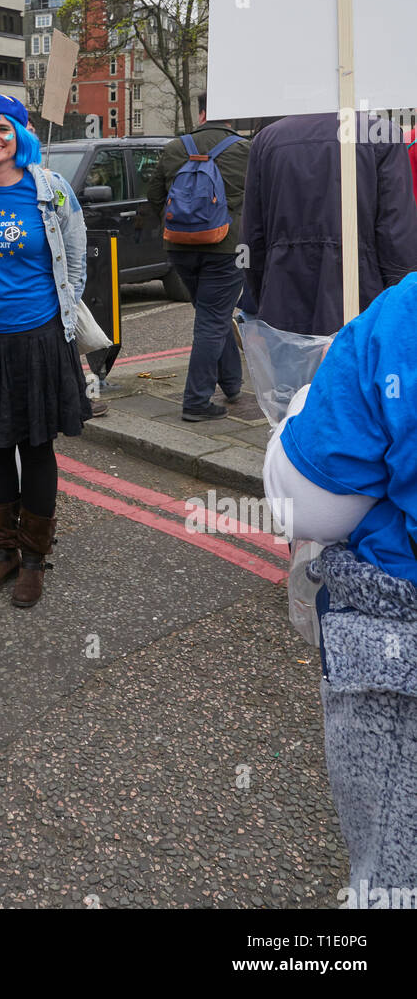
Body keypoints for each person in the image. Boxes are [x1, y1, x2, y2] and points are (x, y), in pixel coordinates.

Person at [264, 274, 417, 901]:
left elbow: (307, 510)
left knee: (390, 877)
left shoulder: (399, 320)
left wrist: (303, 408)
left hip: (392, 650)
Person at [0, 95, 90, 609]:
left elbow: (74, 256)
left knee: (36, 446)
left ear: (20, 134)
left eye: (2, 129)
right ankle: (1, 554)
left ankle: (33, 560)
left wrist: (63, 313)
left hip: (38, 338)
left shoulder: (51, 190)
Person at [243, 112, 417, 337]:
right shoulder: (381, 134)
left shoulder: (267, 138)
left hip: (283, 295)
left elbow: (252, 236)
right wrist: (403, 306)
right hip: (363, 297)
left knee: (294, 371)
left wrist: (262, 293)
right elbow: (397, 236)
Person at [147, 96, 249, 422]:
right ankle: (196, 401)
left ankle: (232, 383)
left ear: (203, 113)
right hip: (225, 249)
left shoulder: (175, 147)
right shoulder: (245, 150)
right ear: (231, 116)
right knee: (212, 320)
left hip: (179, 248)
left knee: (212, 315)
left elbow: (154, 196)